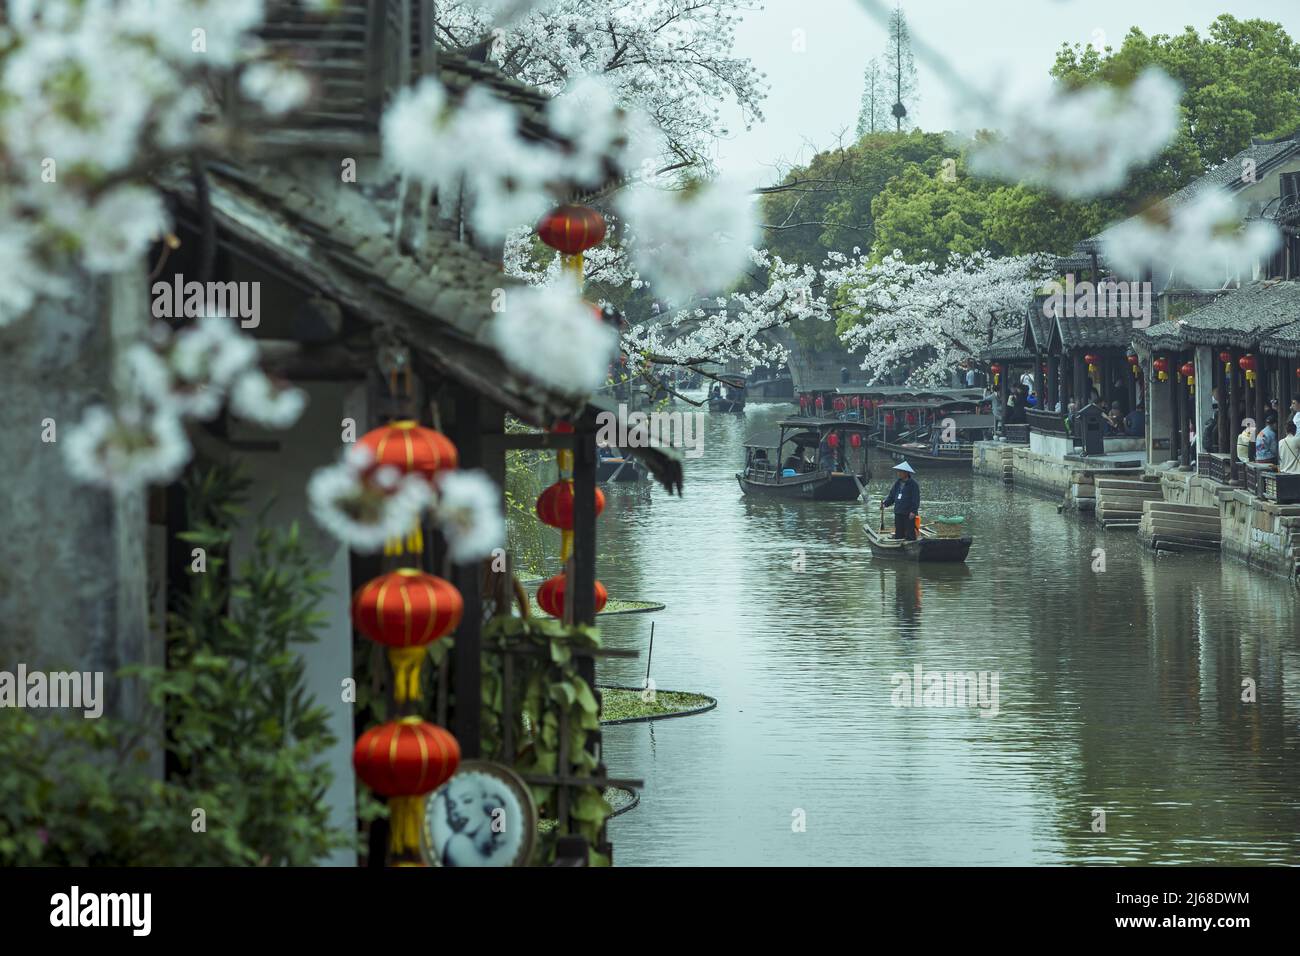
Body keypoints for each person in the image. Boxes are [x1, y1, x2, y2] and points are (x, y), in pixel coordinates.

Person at [881, 461, 920, 540]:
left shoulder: (913, 484)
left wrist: (913, 511)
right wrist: (885, 504)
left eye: (900, 471)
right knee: (899, 532)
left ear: (906, 473)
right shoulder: (897, 483)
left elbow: (916, 499)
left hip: (909, 513)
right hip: (898, 512)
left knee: (909, 533)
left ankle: (911, 546)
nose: (898, 473)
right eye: (898, 471)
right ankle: (899, 547)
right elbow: (891, 496)